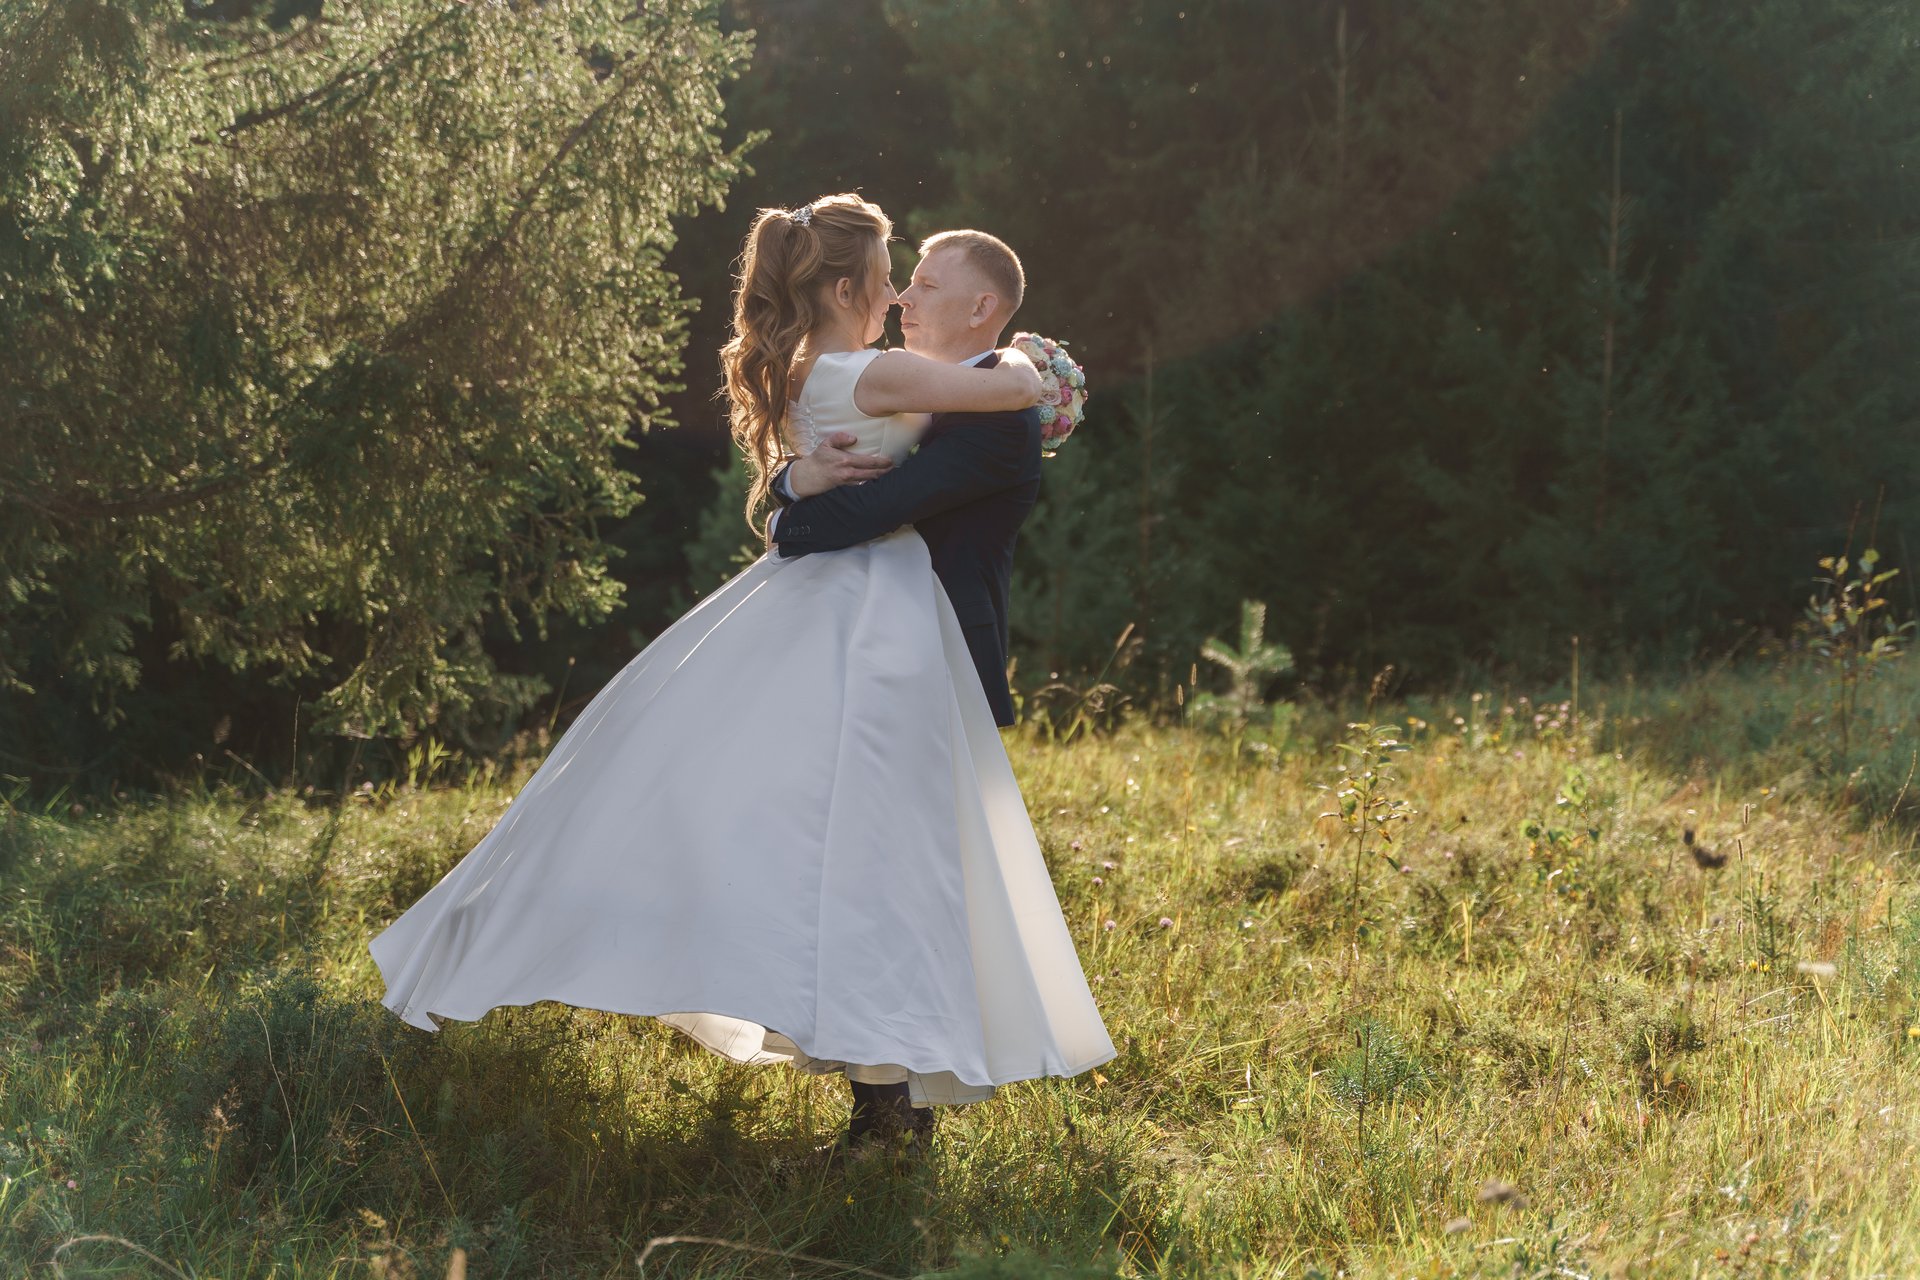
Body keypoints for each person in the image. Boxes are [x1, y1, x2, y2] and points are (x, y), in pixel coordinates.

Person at [367, 193, 1115, 1154]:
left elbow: (851, 473)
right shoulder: (884, 373)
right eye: (894, 275)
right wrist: (1025, 364)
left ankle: (882, 1095)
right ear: (849, 287)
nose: (898, 293)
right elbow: (992, 402)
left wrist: (792, 492)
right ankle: (885, 1100)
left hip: (857, 627)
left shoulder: (844, 373)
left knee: (786, 836)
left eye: (915, 279)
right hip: (857, 632)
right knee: (830, 851)